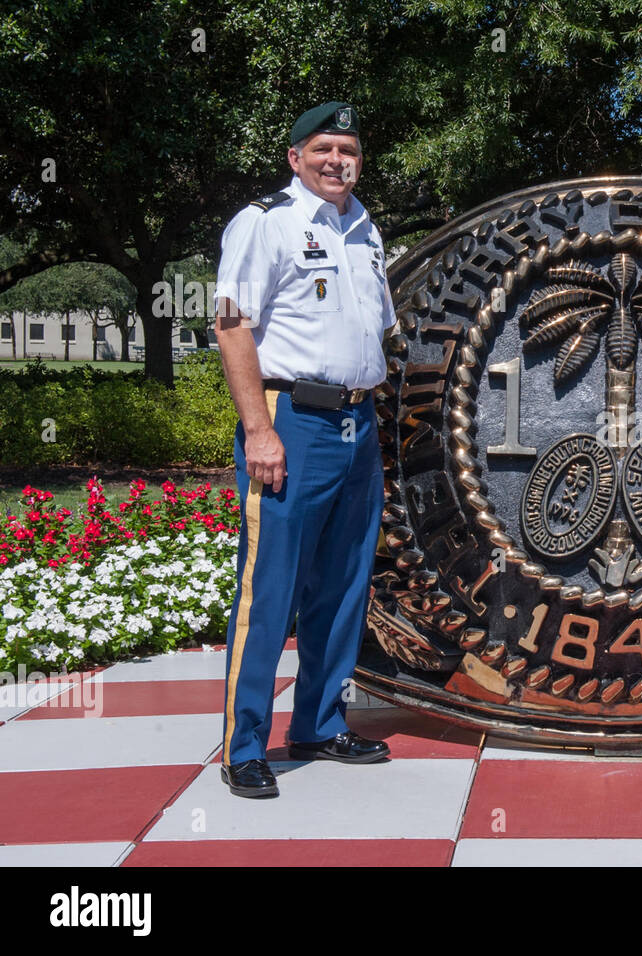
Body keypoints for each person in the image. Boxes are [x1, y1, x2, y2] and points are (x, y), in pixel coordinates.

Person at [213, 101, 395, 798]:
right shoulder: (267, 222)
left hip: (357, 423)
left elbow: (376, 329)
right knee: (270, 590)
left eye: (347, 149)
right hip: (294, 421)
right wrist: (259, 429)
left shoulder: (364, 225)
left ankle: (319, 722)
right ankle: (245, 747)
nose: (336, 160)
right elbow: (233, 326)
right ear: (295, 157)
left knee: (344, 586)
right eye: (322, 148)